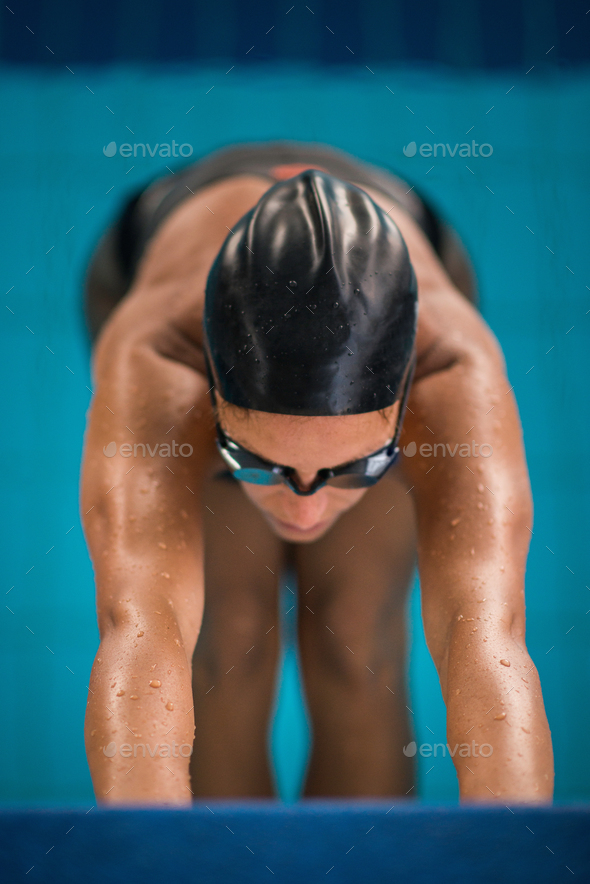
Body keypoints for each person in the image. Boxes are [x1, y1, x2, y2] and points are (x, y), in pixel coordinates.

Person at [81, 141, 553, 804]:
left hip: (411, 277)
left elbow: (487, 636)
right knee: (226, 640)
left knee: (356, 636)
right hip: (152, 279)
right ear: (211, 399)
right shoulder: (160, 362)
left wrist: (515, 856)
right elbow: (141, 633)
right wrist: (148, 858)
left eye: (353, 467)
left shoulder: (452, 370)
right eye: (257, 463)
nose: (303, 510)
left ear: (405, 406)